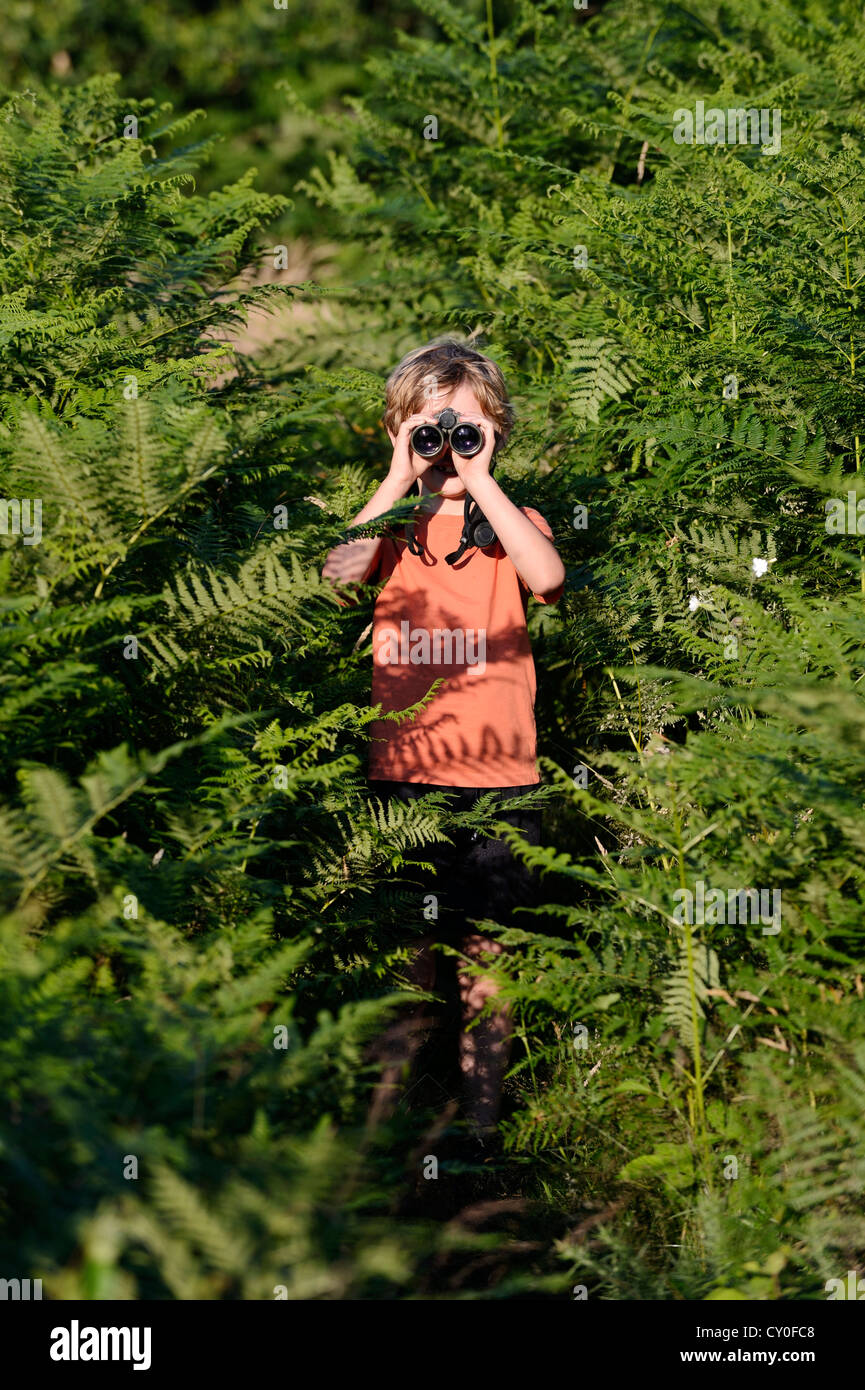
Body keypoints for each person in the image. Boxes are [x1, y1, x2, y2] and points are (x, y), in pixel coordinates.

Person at [323, 338, 565, 1145]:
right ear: (399, 430)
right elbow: (339, 571)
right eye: (429, 429)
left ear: (495, 433)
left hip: (501, 772)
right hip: (408, 769)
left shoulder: (510, 522)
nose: (448, 446)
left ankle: (481, 1128)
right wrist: (398, 477)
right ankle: (387, 1123)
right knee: (408, 952)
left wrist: (482, 480)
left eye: (468, 429)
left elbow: (548, 577)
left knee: (486, 954)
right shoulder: (394, 527)